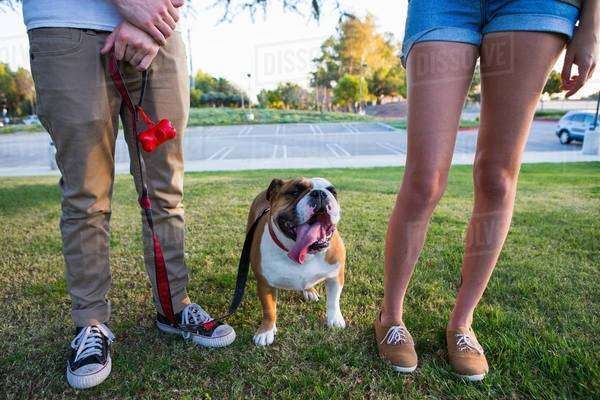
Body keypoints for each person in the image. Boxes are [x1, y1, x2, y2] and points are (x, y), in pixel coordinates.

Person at [375, 0, 598, 381]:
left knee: (497, 176)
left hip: (536, 5)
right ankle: (390, 316)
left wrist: (592, 21)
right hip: (443, 6)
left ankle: (462, 324)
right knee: (424, 178)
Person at [23, 0, 236, 390]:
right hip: (66, 24)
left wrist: (151, 23)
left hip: (160, 30)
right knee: (87, 194)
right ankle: (90, 322)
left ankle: (174, 309)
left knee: (166, 190)